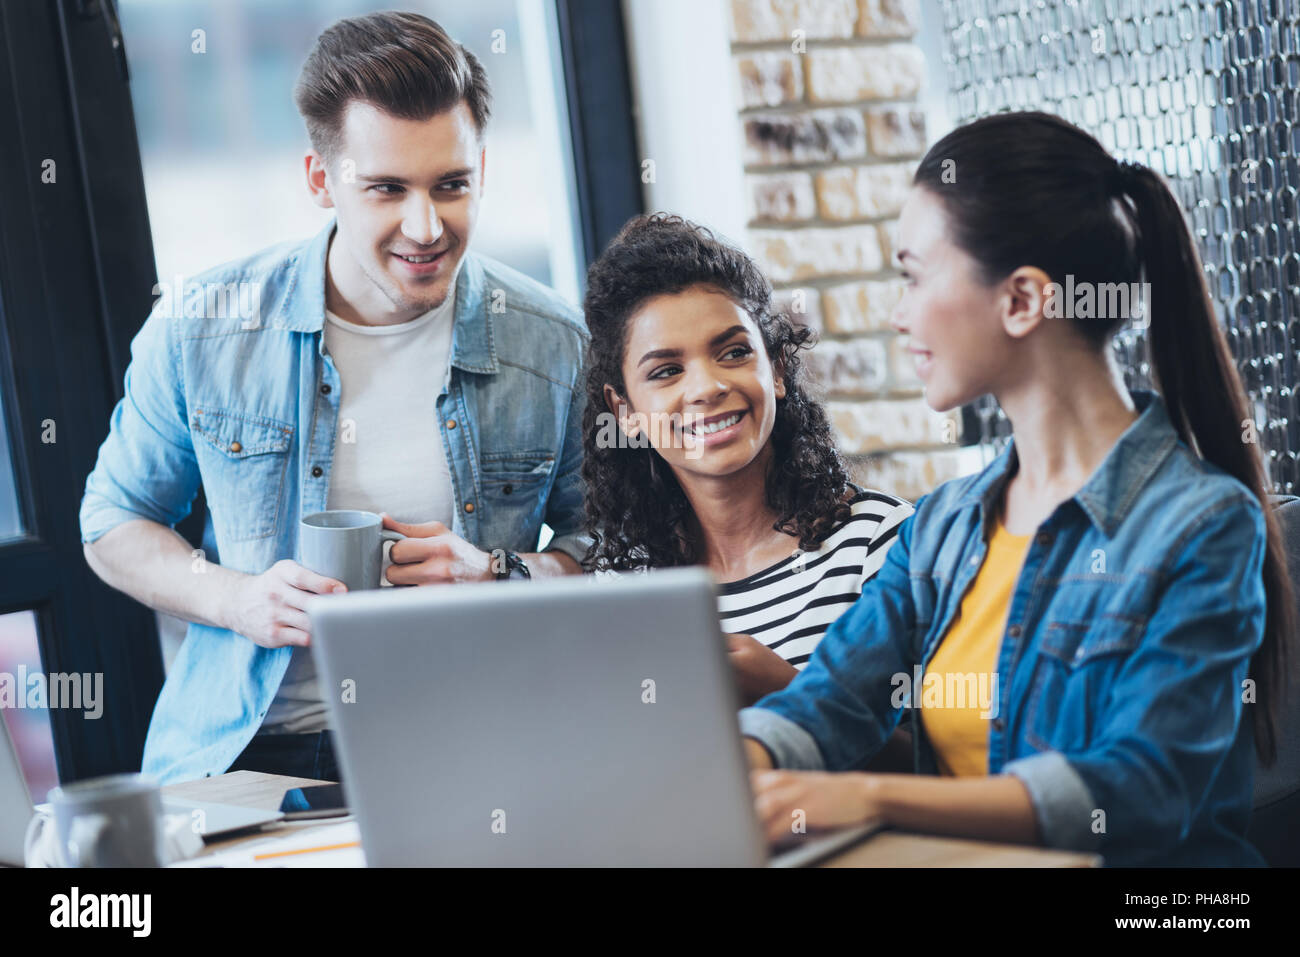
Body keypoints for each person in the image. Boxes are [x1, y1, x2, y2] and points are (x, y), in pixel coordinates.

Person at [739, 111, 1293, 866]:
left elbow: (1141, 791)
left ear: (1025, 300)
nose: (898, 315)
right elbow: (833, 696)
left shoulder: (1200, 525)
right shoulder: (944, 525)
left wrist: (872, 796)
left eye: (913, 273)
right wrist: (746, 764)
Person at [79, 12, 588, 784]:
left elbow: (618, 540)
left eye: (451, 185)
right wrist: (239, 599)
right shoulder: (202, 328)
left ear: (481, 170)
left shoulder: (551, 340)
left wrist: (502, 573)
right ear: (322, 181)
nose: (426, 227)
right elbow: (111, 521)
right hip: (242, 756)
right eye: (387, 188)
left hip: (469, 749)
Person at [580, 214, 913, 708]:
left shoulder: (879, 545)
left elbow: (938, 763)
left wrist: (791, 695)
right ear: (625, 411)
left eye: (734, 353)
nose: (708, 387)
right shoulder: (622, 588)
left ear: (776, 369)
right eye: (667, 371)